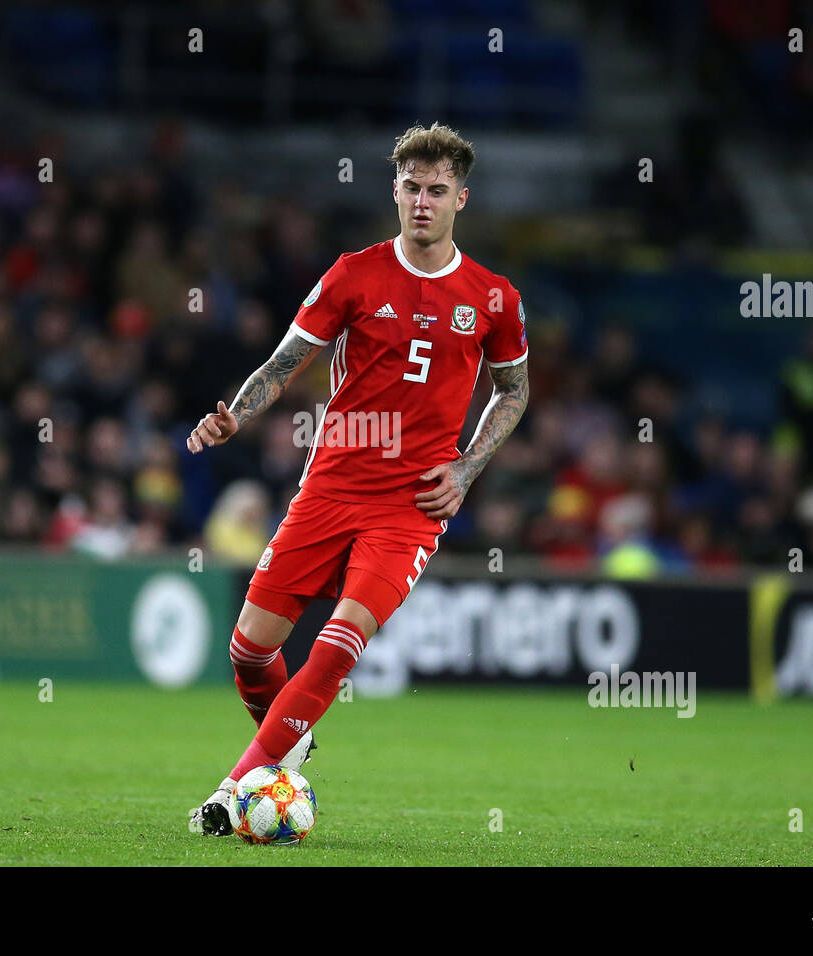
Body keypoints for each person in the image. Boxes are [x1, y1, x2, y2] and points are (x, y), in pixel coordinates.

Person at [183, 123, 530, 835]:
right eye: (412, 188)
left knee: (339, 641)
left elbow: (515, 389)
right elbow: (283, 364)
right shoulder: (353, 274)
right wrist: (234, 416)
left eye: (438, 191)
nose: (424, 202)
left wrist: (466, 467)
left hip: (410, 506)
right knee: (250, 648)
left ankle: (233, 789)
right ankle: (291, 743)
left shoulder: (493, 298)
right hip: (331, 486)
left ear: (461, 198)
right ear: (394, 191)